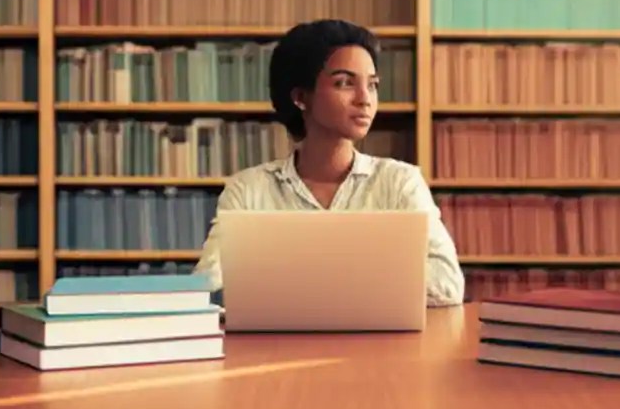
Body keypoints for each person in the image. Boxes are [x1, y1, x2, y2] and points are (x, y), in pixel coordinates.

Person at [194, 18, 465, 307]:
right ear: (301, 97)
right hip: (280, 336)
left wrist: (302, 282)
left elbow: (446, 285)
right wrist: (368, 279)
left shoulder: (399, 182)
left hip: (378, 337)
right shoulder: (249, 189)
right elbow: (208, 287)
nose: (365, 99)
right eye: (344, 83)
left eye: (372, 85)